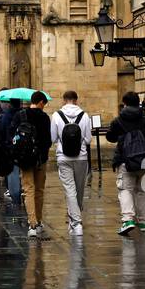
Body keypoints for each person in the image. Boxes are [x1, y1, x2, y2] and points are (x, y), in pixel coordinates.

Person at [106, 91, 145, 235]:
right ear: (139, 103)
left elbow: (110, 137)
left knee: (125, 189)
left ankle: (128, 219)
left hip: (126, 160)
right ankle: (143, 222)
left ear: (125, 103)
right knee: (143, 191)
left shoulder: (118, 120)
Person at [51, 91, 93, 237]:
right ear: (76, 100)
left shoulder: (56, 116)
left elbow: (53, 138)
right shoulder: (85, 115)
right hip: (81, 157)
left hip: (63, 158)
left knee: (70, 190)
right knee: (80, 190)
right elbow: (88, 139)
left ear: (64, 100)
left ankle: (76, 222)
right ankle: (76, 219)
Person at [11, 92, 52, 239]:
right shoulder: (44, 117)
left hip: (24, 159)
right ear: (40, 102)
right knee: (39, 190)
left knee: (28, 189)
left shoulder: (20, 115)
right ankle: (39, 221)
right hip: (40, 159)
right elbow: (48, 140)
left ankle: (32, 223)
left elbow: (12, 135)